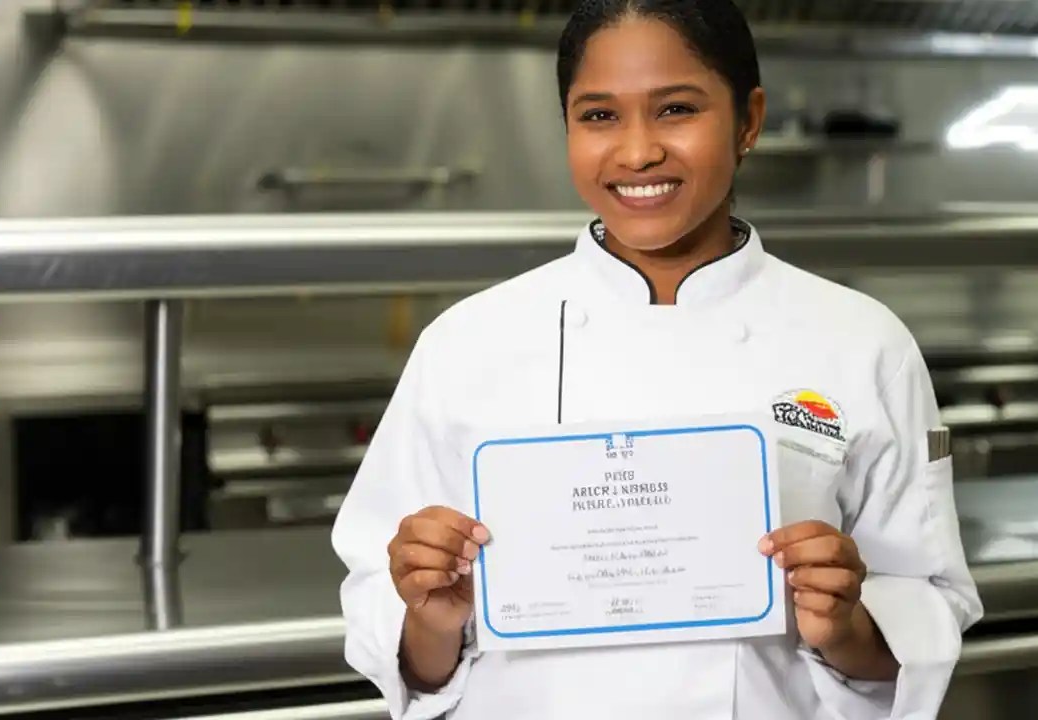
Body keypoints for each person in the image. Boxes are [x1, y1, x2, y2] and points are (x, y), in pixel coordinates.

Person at [331, 0, 983, 717]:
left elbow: (923, 605)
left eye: (676, 109)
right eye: (599, 116)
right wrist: (430, 617)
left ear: (748, 121)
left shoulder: (861, 342)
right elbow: (404, 648)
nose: (637, 151)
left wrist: (846, 625)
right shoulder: (466, 344)